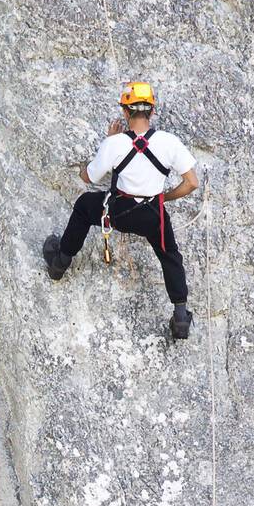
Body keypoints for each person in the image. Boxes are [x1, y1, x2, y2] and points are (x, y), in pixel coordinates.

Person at [43, 81, 199, 339]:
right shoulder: (169, 142)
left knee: (84, 206)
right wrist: (164, 198)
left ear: (126, 113)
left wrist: (107, 143)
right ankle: (180, 317)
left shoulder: (114, 143)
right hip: (152, 215)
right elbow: (191, 183)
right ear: (152, 111)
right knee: (169, 253)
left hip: (120, 213)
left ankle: (60, 263)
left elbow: (88, 177)